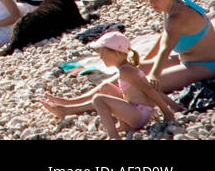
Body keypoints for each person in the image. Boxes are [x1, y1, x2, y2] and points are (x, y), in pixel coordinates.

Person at [40, 32, 181, 138]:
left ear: (118, 53)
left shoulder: (127, 71)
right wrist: (174, 106)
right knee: (105, 87)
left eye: (104, 53)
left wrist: (167, 112)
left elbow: (150, 90)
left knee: (99, 99)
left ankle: (113, 136)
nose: (101, 57)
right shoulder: (126, 68)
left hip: (139, 114)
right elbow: (148, 89)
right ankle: (123, 125)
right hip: (136, 109)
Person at [139, 0, 215, 92]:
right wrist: (145, 61)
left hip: (206, 66)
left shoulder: (178, 16)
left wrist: (154, 75)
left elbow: (165, 49)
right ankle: (100, 92)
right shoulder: (171, 6)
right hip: (185, 60)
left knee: (138, 87)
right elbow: (165, 36)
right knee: (136, 69)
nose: (151, 3)